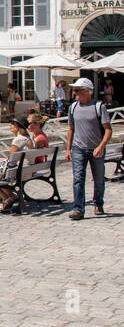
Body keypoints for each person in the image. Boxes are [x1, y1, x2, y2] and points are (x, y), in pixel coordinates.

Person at [66, 77, 112, 220]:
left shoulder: (99, 107)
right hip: (78, 148)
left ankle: (98, 203)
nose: (74, 93)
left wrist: (101, 146)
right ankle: (78, 208)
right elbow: (70, 129)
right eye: (74, 90)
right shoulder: (73, 107)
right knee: (78, 179)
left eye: (77, 90)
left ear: (87, 91)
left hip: (96, 148)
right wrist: (68, 149)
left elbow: (108, 130)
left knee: (98, 179)